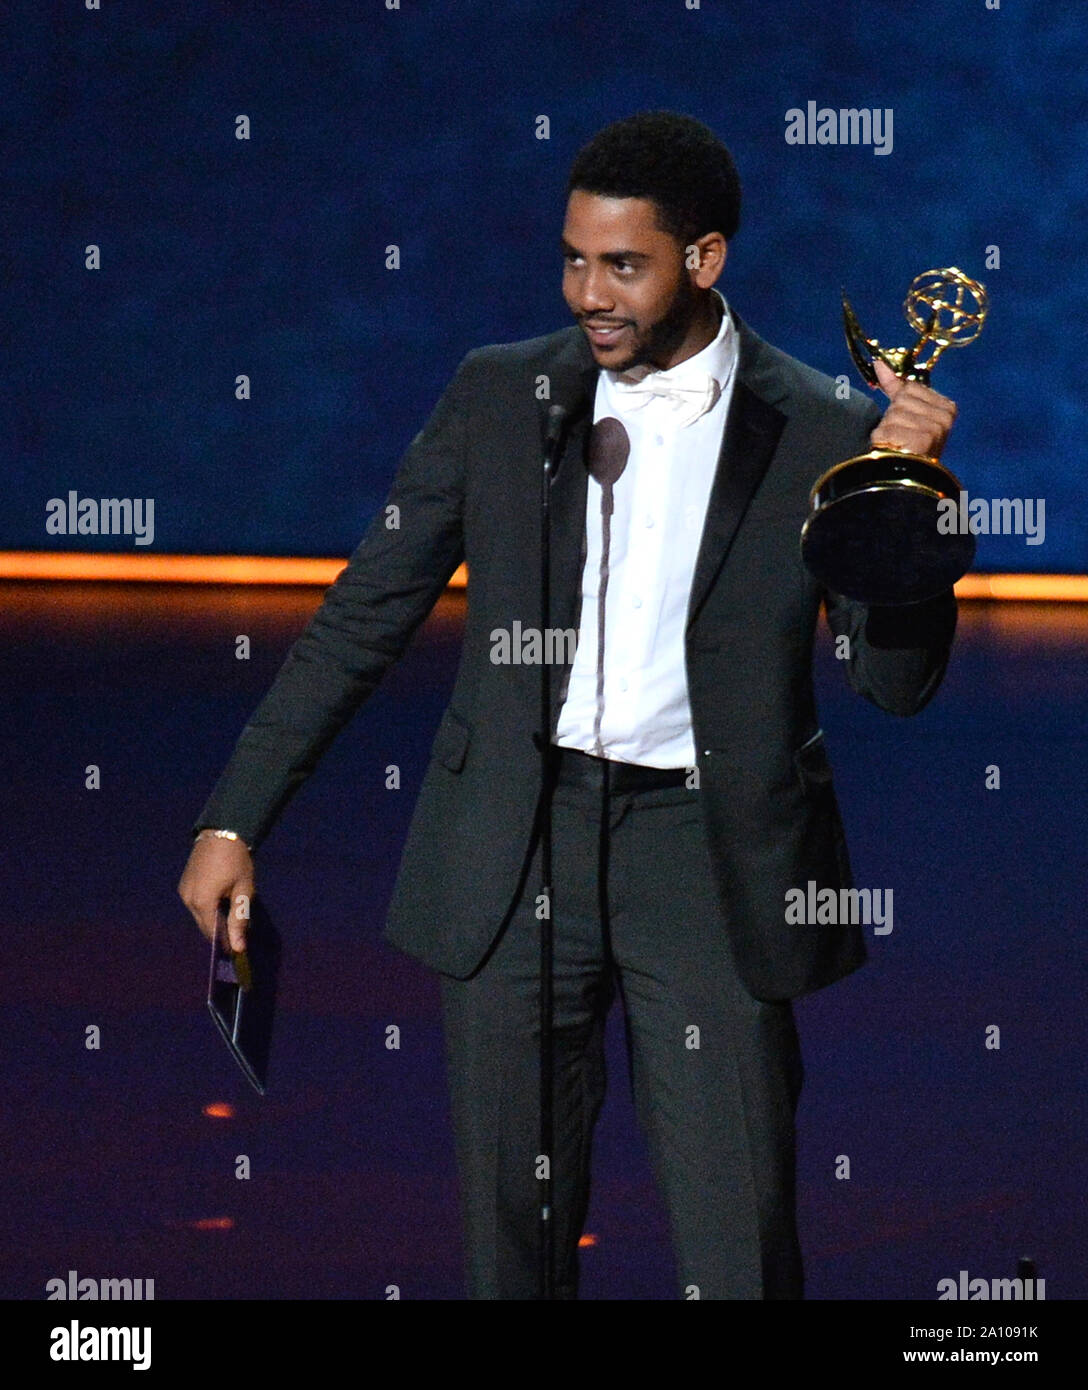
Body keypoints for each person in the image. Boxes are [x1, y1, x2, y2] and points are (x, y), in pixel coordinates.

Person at [178, 110, 959, 1300]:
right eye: (574, 258)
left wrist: (911, 505)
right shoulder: (500, 395)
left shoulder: (822, 429)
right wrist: (235, 819)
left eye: (624, 265)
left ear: (703, 260)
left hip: (708, 863)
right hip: (511, 845)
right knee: (510, 1253)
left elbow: (892, 686)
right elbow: (364, 613)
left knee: (737, 1245)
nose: (589, 292)